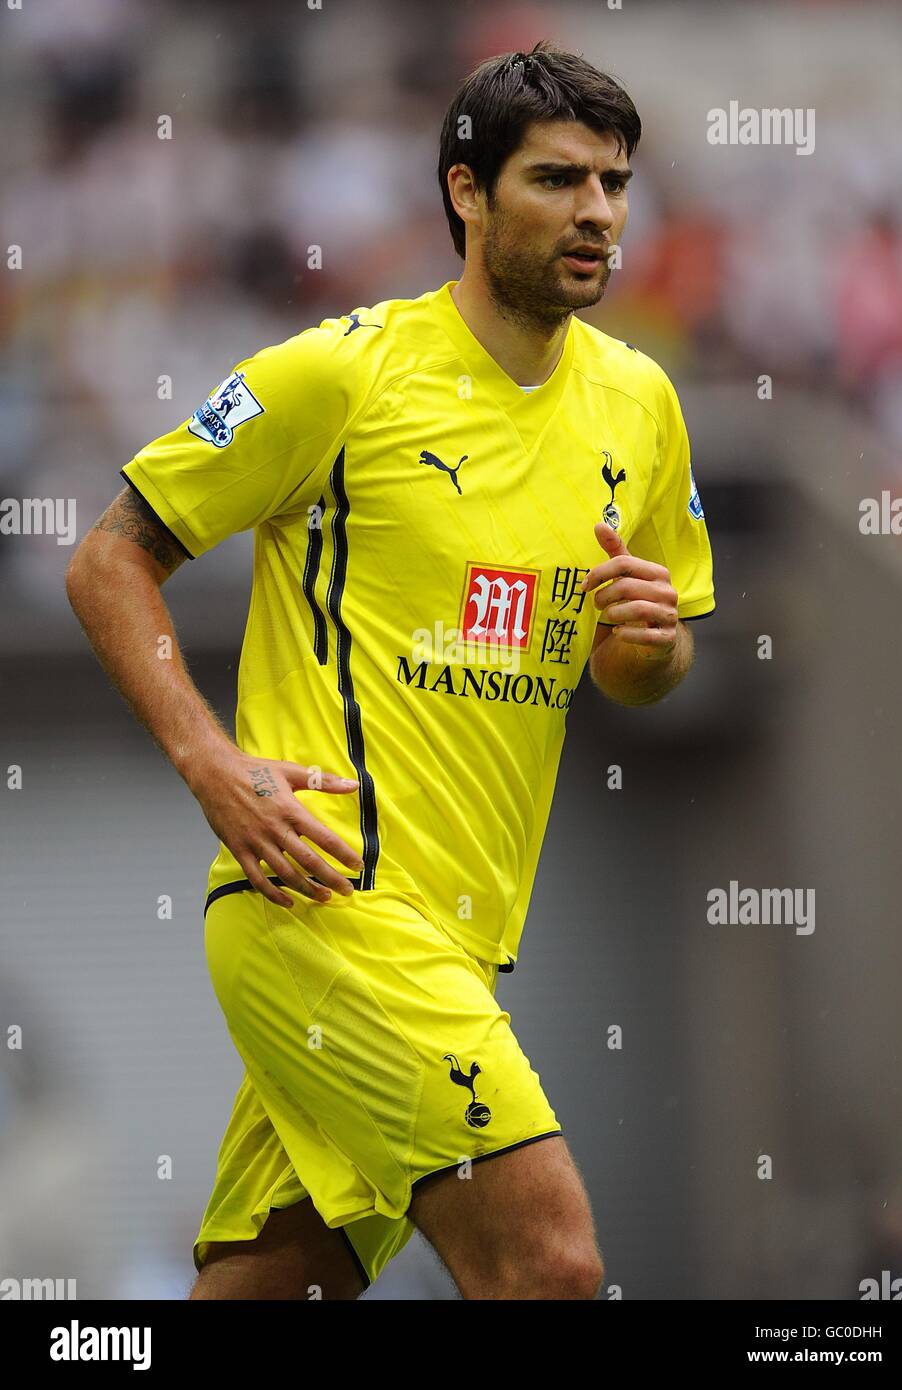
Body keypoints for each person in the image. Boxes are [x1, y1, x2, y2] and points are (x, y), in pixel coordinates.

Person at [65, 39, 715, 1300]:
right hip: (323, 902)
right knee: (549, 1263)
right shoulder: (337, 374)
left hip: (461, 940)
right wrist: (213, 764)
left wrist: (649, 647)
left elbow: (648, 668)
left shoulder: (639, 402)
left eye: (613, 184)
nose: (595, 213)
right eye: (556, 180)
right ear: (466, 193)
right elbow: (107, 561)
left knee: (272, 1285)